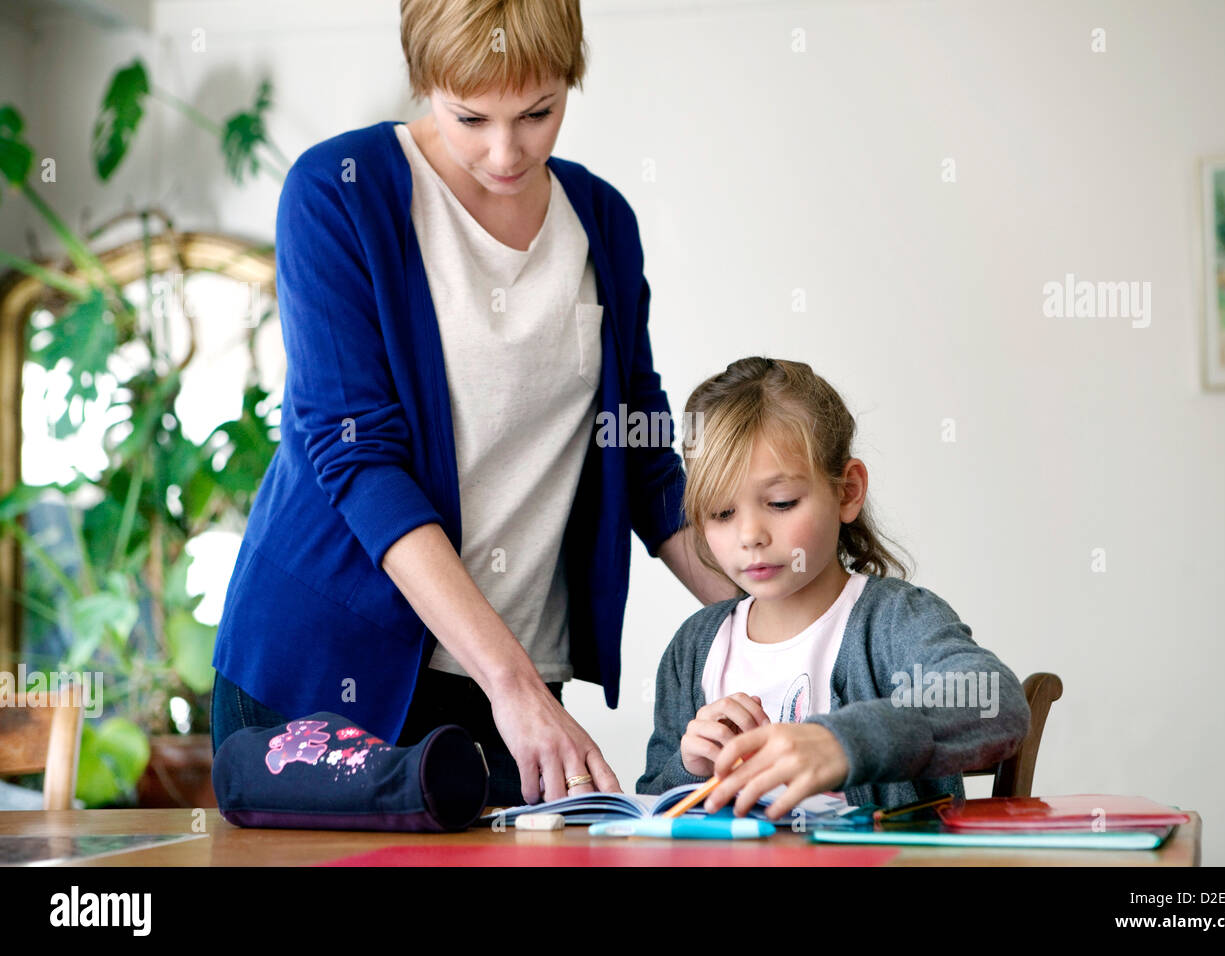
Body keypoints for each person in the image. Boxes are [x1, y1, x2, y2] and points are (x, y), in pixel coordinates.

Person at [209, 0, 738, 809]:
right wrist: (511, 683)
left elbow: (640, 451)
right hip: (328, 670)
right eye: (470, 116)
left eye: (538, 113)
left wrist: (780, 619)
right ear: (425, 82)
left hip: (515, 674)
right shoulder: (339, 195)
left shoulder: (601, 222)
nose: (506, 150)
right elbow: (358, 458)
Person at [636, 357, 1032, 819]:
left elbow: (997, 703)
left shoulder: (893, 622)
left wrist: (842, 743)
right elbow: (651, 806)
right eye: (722, 514)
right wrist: (689, 768)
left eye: (781, 503)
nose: (750, 536)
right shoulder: (692, 650)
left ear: (847, 492)